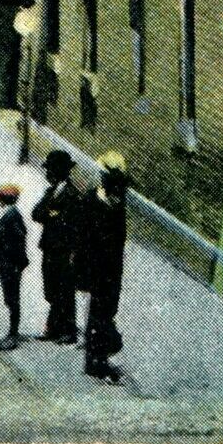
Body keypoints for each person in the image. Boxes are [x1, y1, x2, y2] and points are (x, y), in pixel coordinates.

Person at [81, 151, 128, 383]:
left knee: (99, 312)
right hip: (106, 268)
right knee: (103, 313)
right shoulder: (111, 207)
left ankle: (95, 357)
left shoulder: (96, 200)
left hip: (102, 267)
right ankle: (99, 357)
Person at [31, 148, 81, 344]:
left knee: (65, 290)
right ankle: (55, 327)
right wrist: (52, 213)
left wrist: (53, 215)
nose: (47, 173)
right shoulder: (50, 192)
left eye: (50, 169)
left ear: (59, 171)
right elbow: (36, 214)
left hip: (65, 250)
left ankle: (67, 330)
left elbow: (74, 225)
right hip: (50, 248)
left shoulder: (72, 195)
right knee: (51, 289)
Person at [0, 183, 30, 349]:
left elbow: (17, 240)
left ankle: (13, 334)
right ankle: (12, 332)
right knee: (10, 297)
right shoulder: (11, 214)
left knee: (12, 298)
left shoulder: (12, 216)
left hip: (10, 264)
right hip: (7, 263)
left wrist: (9, 259)